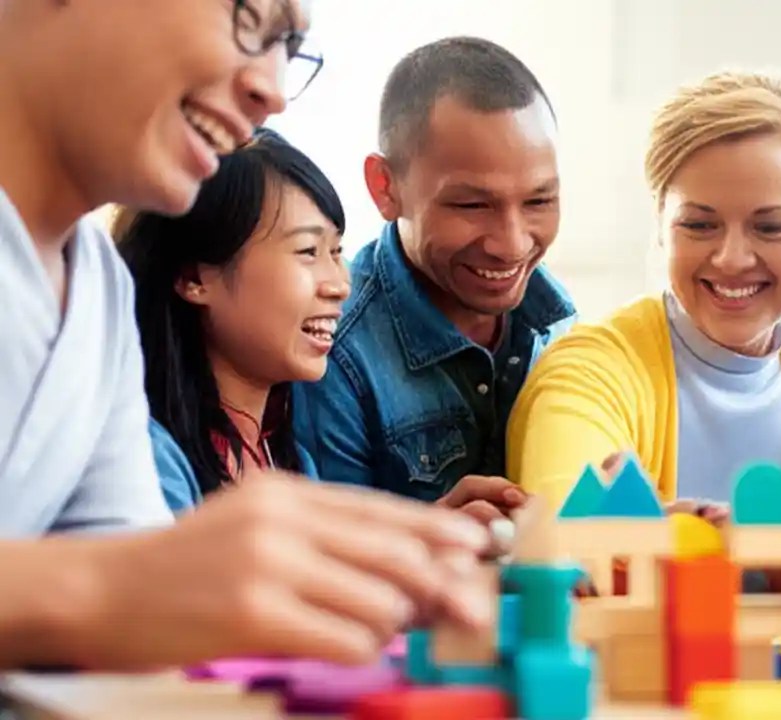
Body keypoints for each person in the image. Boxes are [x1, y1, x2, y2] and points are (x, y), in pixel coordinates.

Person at [0, 0, 489, 669]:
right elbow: (124, 591)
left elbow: (127, 645)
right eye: (247, 18)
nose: (273, 92)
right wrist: (117, 586)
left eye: (287, 47)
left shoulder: (97, 291)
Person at [506, 69, 781, 510]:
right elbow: (568, 539)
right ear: (661, 224)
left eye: (770, 227)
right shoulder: (585, 376)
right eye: (699, 224)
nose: (732, 258)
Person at [294, 37, 574, 522]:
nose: (511, 244)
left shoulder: (557, 325)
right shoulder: (334, 349)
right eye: (471, 205)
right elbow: (329, 567)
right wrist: (432, 532)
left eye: (538, 202)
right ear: (386, 188)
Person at [116, 129, 348, 512]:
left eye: (337, 251)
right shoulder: (147, 464)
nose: (339, 284)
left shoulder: (288, 458)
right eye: (308, 251)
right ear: (194, 277)